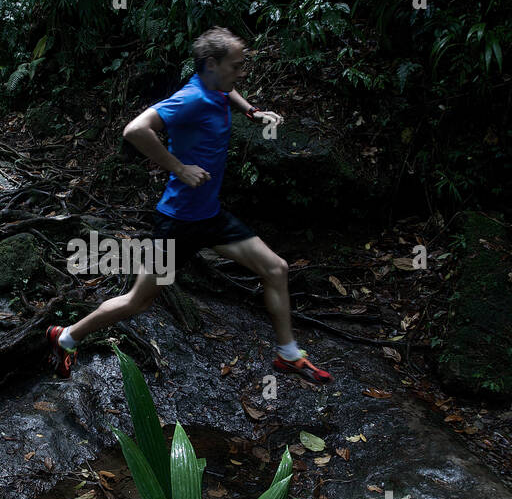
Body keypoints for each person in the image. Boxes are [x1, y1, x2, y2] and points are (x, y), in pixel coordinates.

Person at [47, 26, 332, 384]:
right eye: (236, 66)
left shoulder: (217, 85)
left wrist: (252, 112)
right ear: (211, 63)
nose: (240, 73)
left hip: (210, 216)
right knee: (138, 301)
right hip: (178, 223)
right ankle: (66, 337)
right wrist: (179, 168)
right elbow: (134, 130)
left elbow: (228, 90)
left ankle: (288, 355)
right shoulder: (191, 98)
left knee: (276, 269)